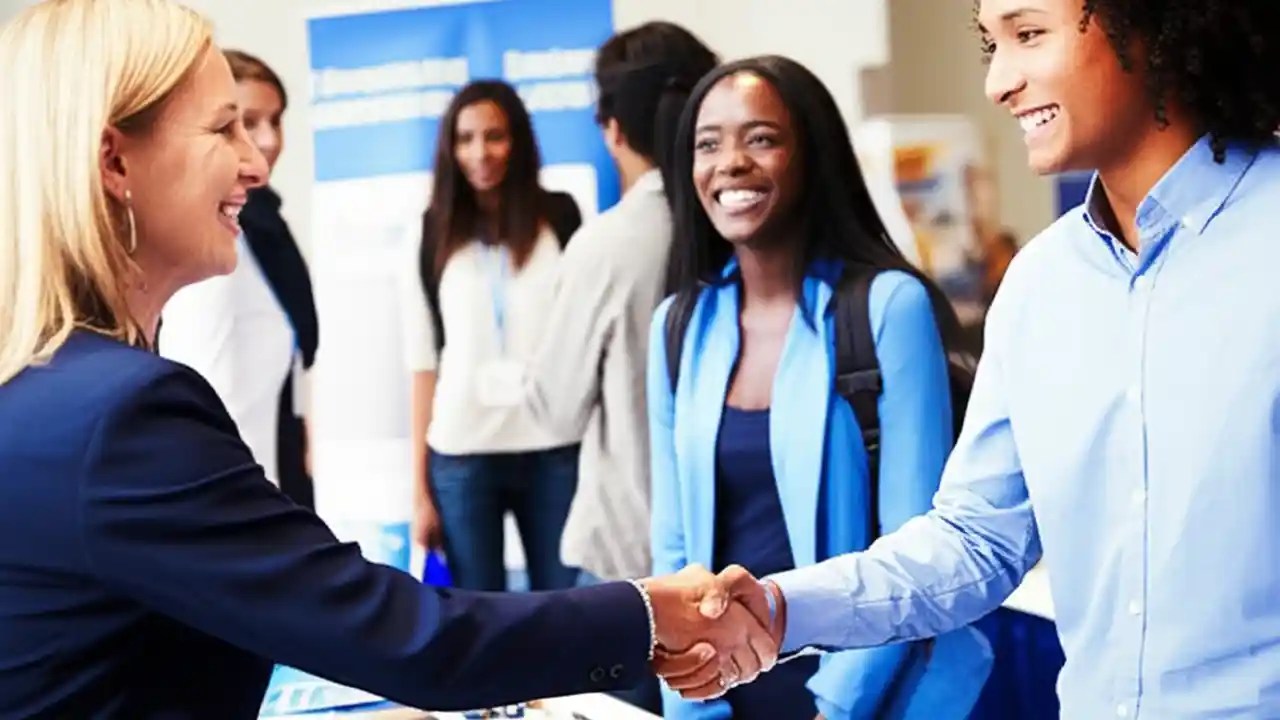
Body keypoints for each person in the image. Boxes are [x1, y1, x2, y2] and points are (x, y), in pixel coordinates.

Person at [0, 1, 777, 717]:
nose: (257, 165)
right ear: (114, 161)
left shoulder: (47, 387)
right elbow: (407, 638)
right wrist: (646, 612)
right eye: (224, 129)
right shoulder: (124, 415)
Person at [692, 0, 1280, 717]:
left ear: (1151, 26)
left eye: (1029, 35)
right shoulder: (1040, 285)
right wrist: (780, 606)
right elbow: (976, 540)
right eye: (989, 46)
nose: (998, 83)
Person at [649, 56, 991, 720]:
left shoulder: (888, 308)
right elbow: (673, 552)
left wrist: (836, 709)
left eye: (762, 138)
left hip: (864, 692)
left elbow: (916, 549)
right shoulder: (678, 327)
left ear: (813, 155)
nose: (731, 163)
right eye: (708, 144)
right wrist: (690, 704)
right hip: (719, 698)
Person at [517, 21, 718, 715]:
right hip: (746, 572)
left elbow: (555, 409)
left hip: (627, 568)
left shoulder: (606, 245)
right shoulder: (747, 225)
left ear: (610, 128)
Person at [398, 80, 586, 592]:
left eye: (495, 136)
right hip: (462, 452)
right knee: (477, 617)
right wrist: (419, 492)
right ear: (450, 148)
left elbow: (584, 340)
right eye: (466, 138)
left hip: (554, 446)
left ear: (518, 141)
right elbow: (422, 365)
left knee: (565, 609)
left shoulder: (562, 218)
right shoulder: (430, 232)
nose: (480, 152)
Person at [160, 49, 319, 509]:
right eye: (246, 123)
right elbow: (202, 371)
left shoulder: (267, 223)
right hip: (224, 480)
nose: (267, 141)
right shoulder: (207, 238)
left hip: (274, 459)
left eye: (276, 120)